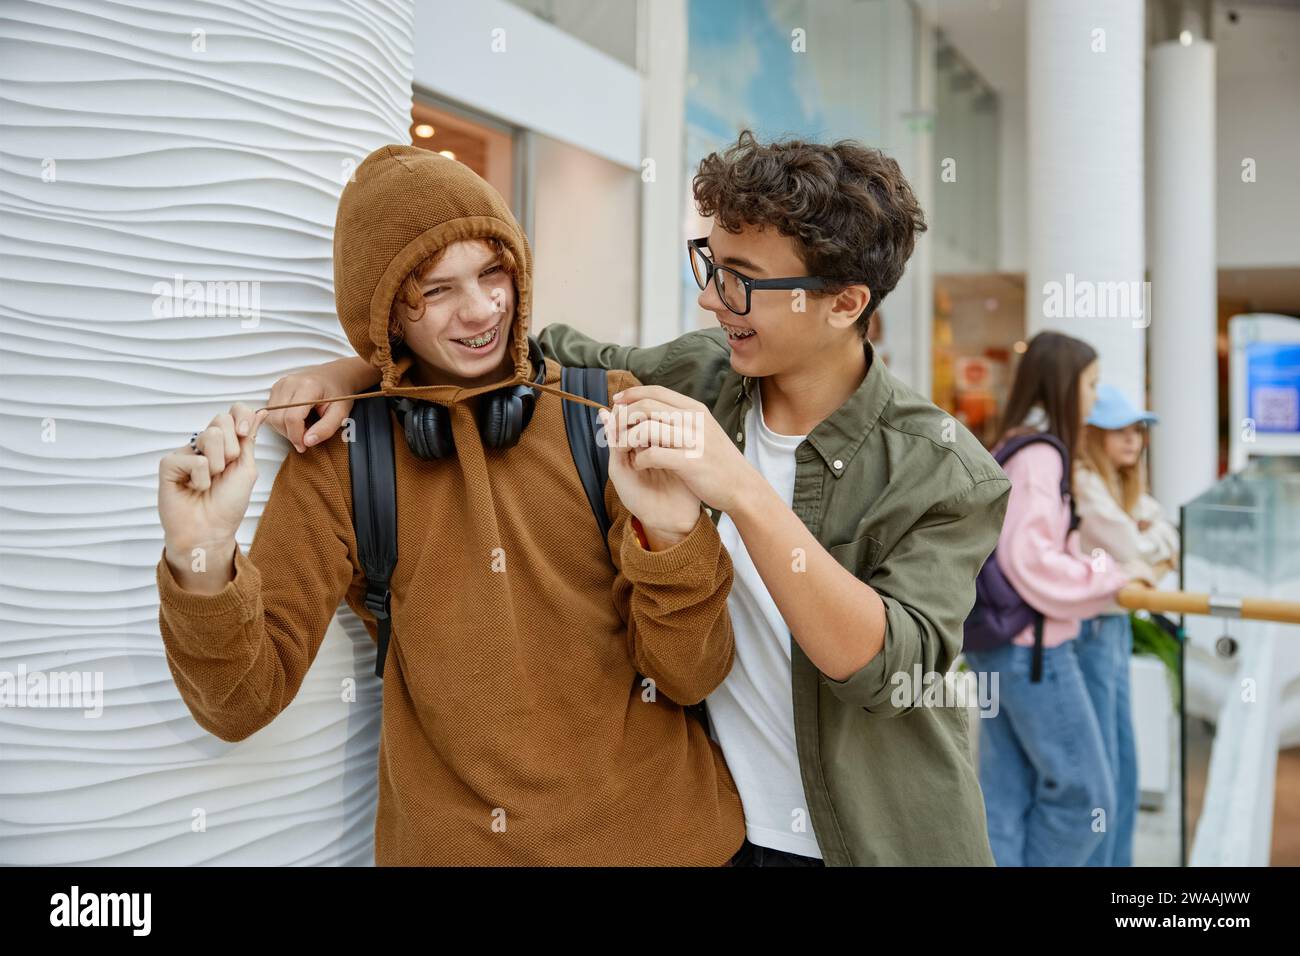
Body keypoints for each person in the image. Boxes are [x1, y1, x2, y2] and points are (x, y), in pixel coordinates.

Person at [272, 130, 1011, 866]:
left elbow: (884, 671)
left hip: (871, 843)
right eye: (710, 265)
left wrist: (743, 492)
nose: (709, 298)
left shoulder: (947, 474)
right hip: (727, 831)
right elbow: (523, 357)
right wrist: (358, 370)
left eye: (741, 280)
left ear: (845, 303)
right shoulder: (698, 372)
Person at [155, 144, 746, 865]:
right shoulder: (341, 455)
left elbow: (692, 673)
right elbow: (241, 700)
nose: (479, 311)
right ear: (384, 318)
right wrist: (204, 558)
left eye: (492, 273)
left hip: (677, 846)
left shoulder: (608, 409)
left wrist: (672, 533)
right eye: (434, 292)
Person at [961, 332, 1153, 867]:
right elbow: (1033, 559)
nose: (1094, 397)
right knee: (1086, 795)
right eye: (1090, 384)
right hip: (1034, 650)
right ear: (1065, 385)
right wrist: (1110, 576)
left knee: (1008, 792)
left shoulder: (1013, 444)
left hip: (1001, 645)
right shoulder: (1042, 455)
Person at [1073, 385, 1179, 866]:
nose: (1134, 438)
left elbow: (1167, 535)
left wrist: (1143, 551)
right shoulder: (1082, 479)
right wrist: (1145, 553)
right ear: (1094, 433)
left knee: (1123, 761)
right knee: (1102, 767)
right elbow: (1134, 552)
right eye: (1122, 428)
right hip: (1087, 631)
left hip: (1110, 629)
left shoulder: (1120, 485)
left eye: (1139, 429)